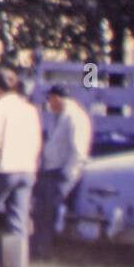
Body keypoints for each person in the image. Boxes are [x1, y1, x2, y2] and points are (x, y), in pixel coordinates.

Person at [0, 68, 42, 244]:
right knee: (18, 222)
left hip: (2, 170)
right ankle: (18, 258)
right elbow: (37, 142)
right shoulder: (30, 109)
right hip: (27, 170)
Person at [33, 85, 92, 258]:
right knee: (41, 212)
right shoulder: (58, 116)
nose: (48, 103)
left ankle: (45, 250)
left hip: (62, 173)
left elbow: (78, 151)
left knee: (50, 212)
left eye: (49, 99)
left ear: (56, 98)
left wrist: (67, 175)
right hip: (50, 169)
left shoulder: (75, 117)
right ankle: (39, 248)